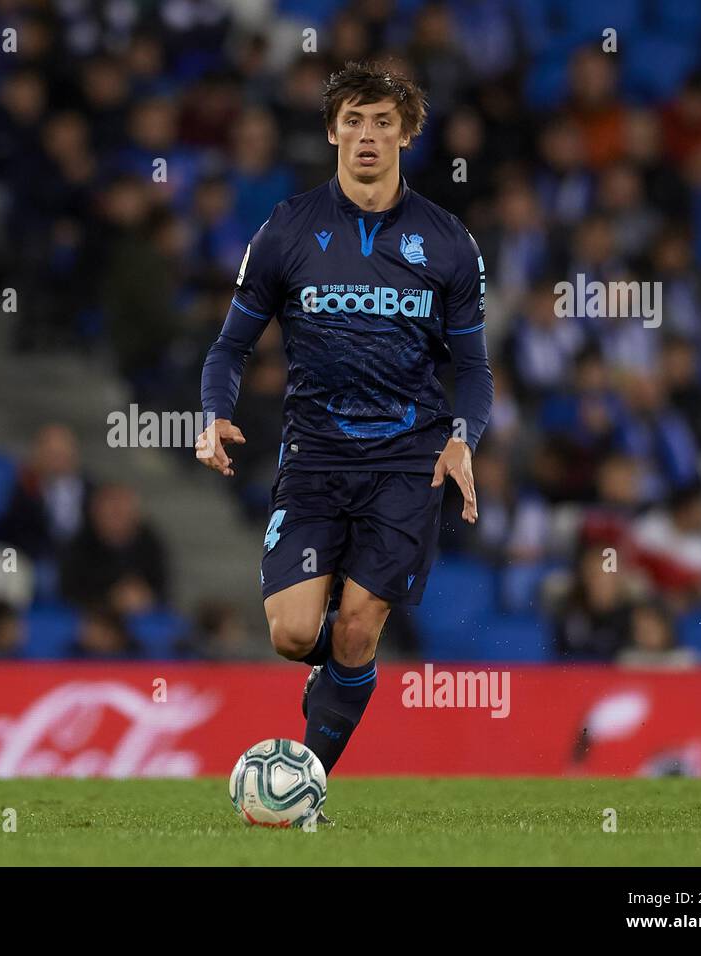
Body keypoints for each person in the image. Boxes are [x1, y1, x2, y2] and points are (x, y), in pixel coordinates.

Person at [196, 62, 492, 817]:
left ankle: (305, 788)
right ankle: (327, 681)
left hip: (406, 462)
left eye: (383, 123)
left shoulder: (447, 242)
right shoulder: (287, 229)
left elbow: (475, 368)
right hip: (316, 458)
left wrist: (463, 438)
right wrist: (214, 409)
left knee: (358, 629)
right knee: (296, 636)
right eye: (354, 121)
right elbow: (230, 346)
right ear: (332, 131)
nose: (368, 135)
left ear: (407, 134)